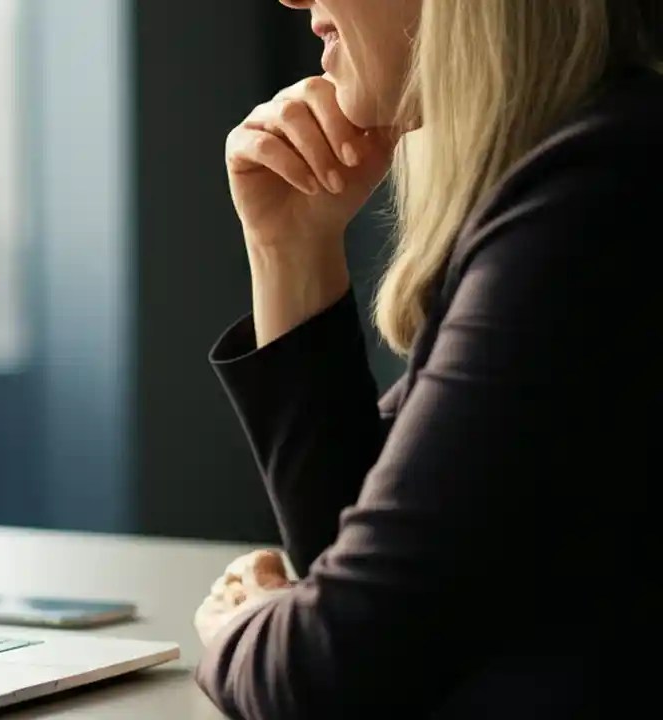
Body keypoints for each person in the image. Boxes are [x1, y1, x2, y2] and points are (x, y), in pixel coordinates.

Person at [192, 0, 662, 717]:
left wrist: (240, 624)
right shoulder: (595, 169)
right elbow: (389, 599)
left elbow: (334, 675)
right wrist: (291, 249)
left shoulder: (600, 193)